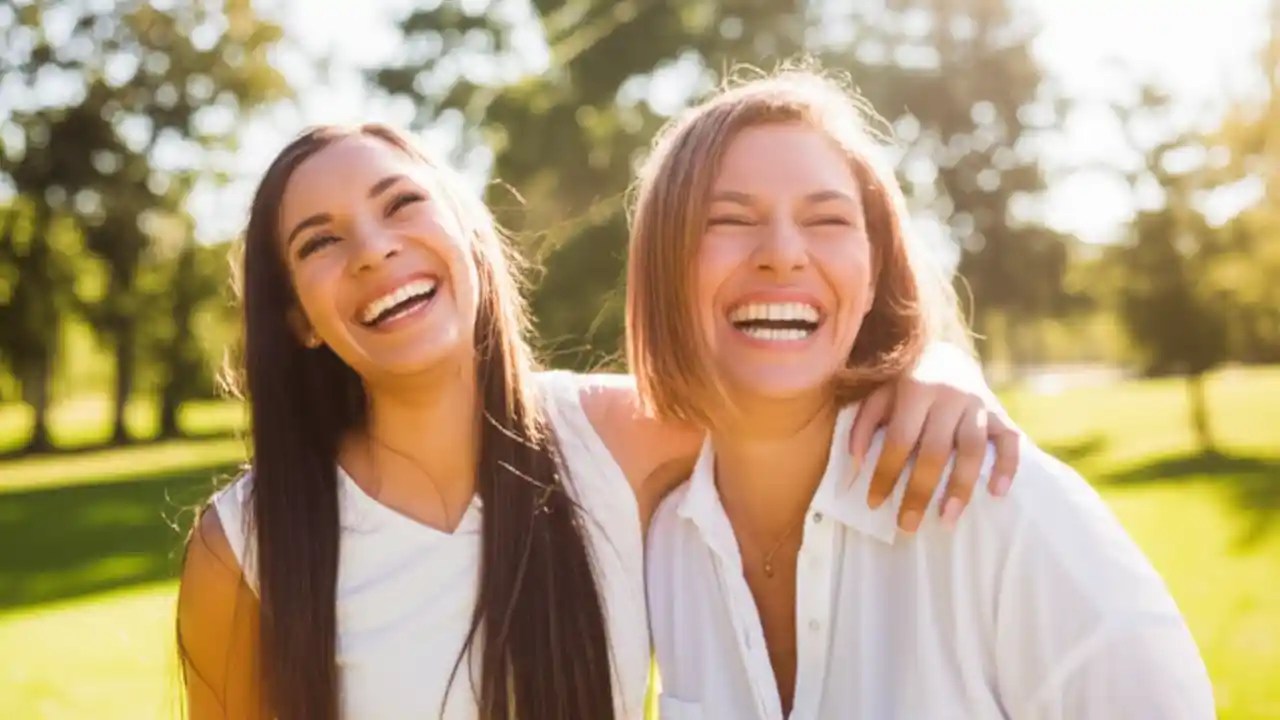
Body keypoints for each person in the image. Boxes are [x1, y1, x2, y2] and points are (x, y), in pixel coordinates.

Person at [176, 123, 1017, 720]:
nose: (372, 249)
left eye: (401, 205)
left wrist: (943, 368)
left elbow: (806, 374)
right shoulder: (245, 546)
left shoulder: (618, 438)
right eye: (320, 243)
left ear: (470, 237)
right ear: (300, 320)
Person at [636, 69, 1215, 719]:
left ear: (874, 265)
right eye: (730, 220)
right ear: (665, 265)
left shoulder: (1000, 509)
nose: (783, 254)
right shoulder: (665, 546)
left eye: (826, 219)